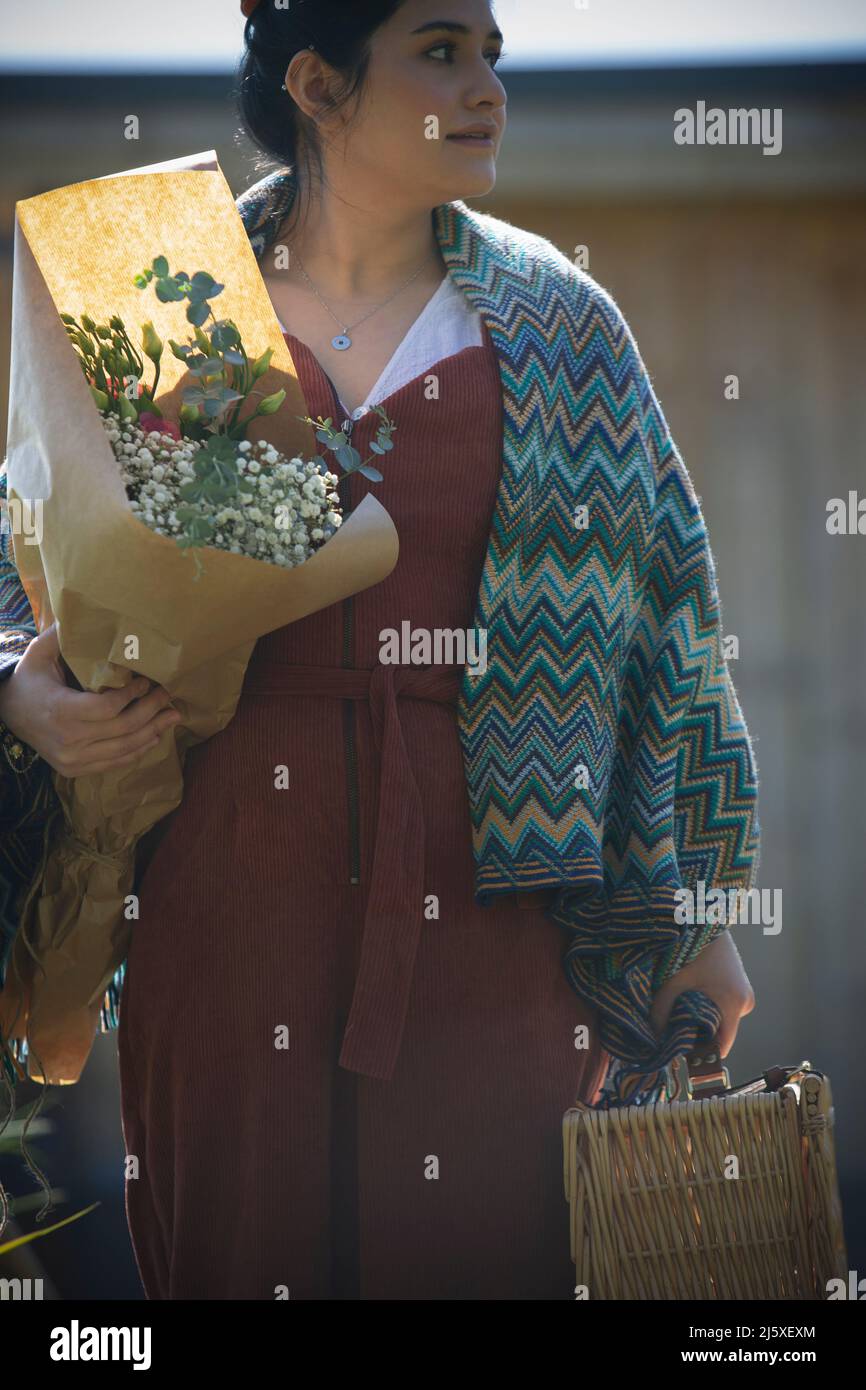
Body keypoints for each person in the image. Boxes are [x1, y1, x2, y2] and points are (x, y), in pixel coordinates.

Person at [0, 0, 756, 1298]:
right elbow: (31, 547)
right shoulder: (160, 294)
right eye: (441, 51)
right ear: (318, 82)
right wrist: (25, 697)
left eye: (493, 58)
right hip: (224, 900)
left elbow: (665, 624)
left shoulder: (564, 327)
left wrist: (701, 902)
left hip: (505, 915)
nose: (487, 91)